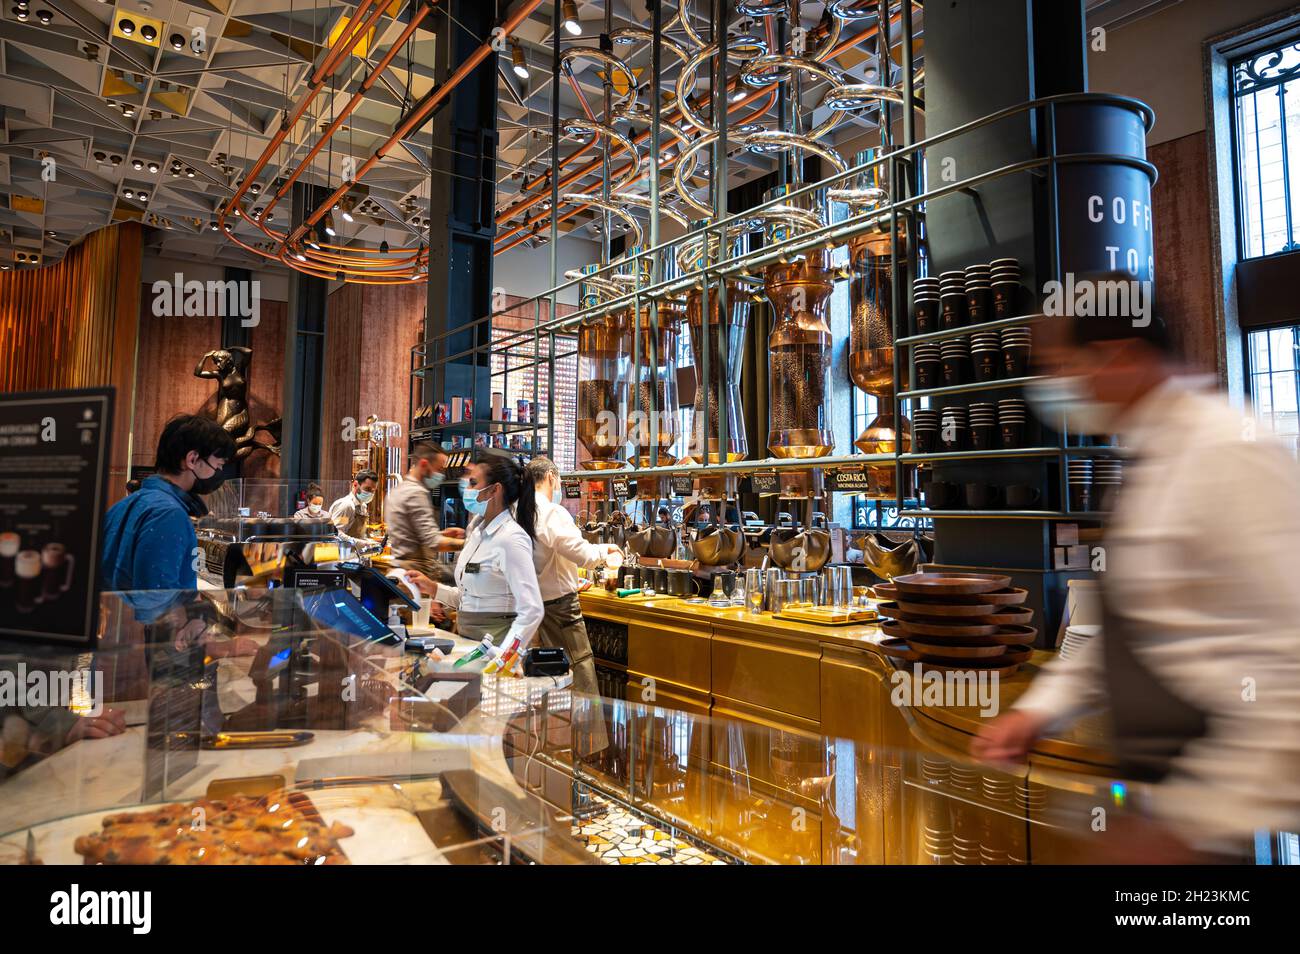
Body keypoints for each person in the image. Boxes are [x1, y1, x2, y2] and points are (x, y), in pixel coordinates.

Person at [972, 280, 1300, 861]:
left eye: (1063, 365)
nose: (1053, 387)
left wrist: (1191, 822)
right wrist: (1038, 712)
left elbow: (1290, 665)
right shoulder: (1148, 456)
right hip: (1159, 805)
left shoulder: (1228, 451)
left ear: (1119, 355)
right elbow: (1135, 631)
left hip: (1203, 825)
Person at [407, 452, 542, 668]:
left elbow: (532, 609)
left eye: (473, 483)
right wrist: (432, 588)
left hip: (495, 648)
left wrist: (504, 657)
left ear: (495, 489)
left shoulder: (511, 538)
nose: (467, 489)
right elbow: (468, 597)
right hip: (469, 643)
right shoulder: (477, 532)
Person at [102, 414, 235, 593]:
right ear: (193, 460)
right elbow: (160, 601)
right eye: (218, 465)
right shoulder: (169, 514)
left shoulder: (123, 505)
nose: (219, 472)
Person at [525, 456, 620, 698]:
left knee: (544, 678)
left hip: (530, 606)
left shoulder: (519, 510)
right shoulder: (551, 512)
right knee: (579, 672)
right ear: (551, 478)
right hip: (560, 610)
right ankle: (588, 734)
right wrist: (605, 550)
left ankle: (554, 734)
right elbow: (582, 555)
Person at [386, 442, 465, 578]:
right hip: (415, 574)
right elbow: (433, 542)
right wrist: (471, 543)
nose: (442, 475)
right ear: (423, 464)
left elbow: (413, 535)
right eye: (439, 470)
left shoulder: (398, 490)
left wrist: (442, 534)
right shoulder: (416, 493)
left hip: (400, 569)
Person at [329, 469, 378, 552]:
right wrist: (363, 543)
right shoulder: (346, 505)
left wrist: (368, 541)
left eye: (373, 491)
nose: (371, 493)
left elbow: (359, 534)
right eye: (368, 489)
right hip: (342, 557)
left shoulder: (363, 506)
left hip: (355, 556)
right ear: (355, 484)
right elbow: (337, 534)